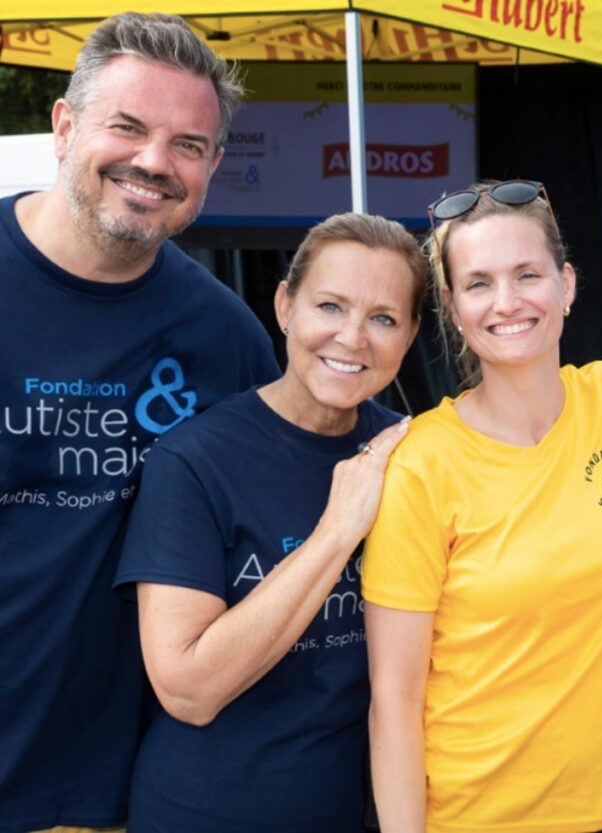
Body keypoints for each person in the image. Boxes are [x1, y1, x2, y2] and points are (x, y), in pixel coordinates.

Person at [0, 13, 279, 833]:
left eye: (188, 144)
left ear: (214, 165)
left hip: (129, 794)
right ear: (64, 124)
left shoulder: (226, 338)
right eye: (126, 126)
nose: (153, 162)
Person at [362, 180, 602, 832]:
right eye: (478, 283)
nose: (507, 302)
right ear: (451, 305)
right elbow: (396, 697)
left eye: (528, 274)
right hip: (475, 814)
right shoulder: (424, 462)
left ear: (568, 284)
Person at [111, 212, 424, 833]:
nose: (353, 337)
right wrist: (337, 531)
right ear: (284, 306)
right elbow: (188, 690)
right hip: (213, 811)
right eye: (330, 306)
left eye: (383, 318)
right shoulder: (194, 461)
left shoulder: (412, 452)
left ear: (411, 334)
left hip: (365, 809)